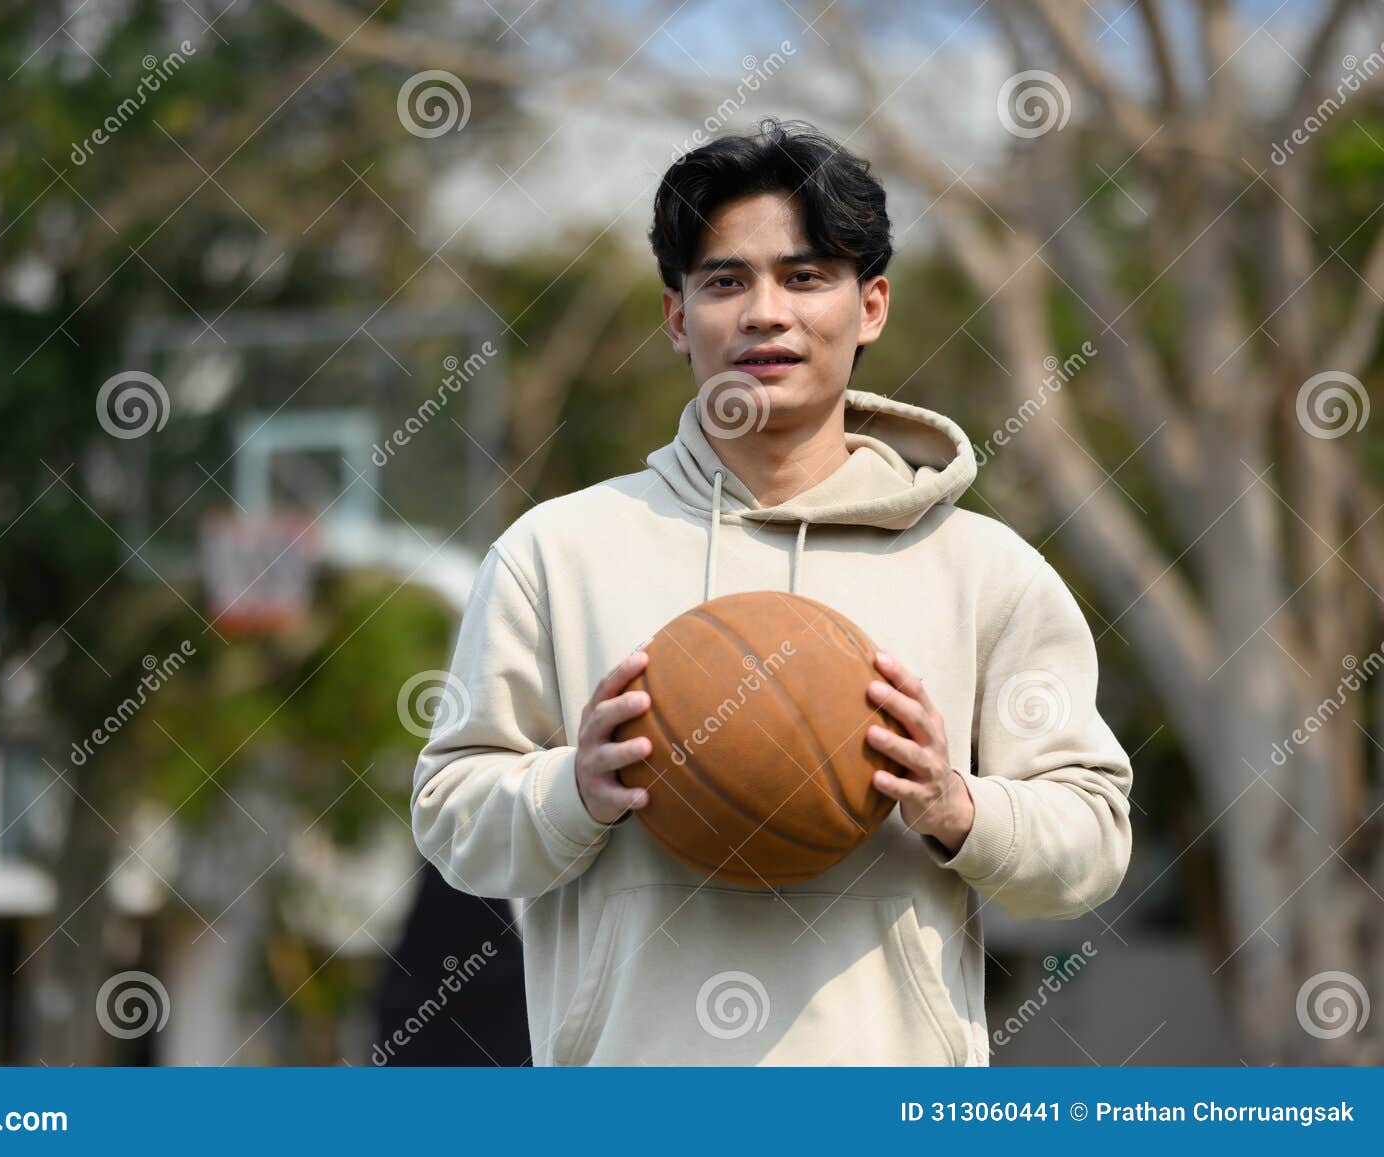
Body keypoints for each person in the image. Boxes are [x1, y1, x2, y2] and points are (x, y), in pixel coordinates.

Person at [410, 117, 1133, 1066]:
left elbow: (1092, 843)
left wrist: (957, 805)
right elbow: (452, 816)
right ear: (678, 318)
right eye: (724, 281)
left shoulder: (983, 569)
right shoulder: (554, 553)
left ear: (870, 306)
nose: (764, 313)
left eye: (805, 277)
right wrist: (571, 788)